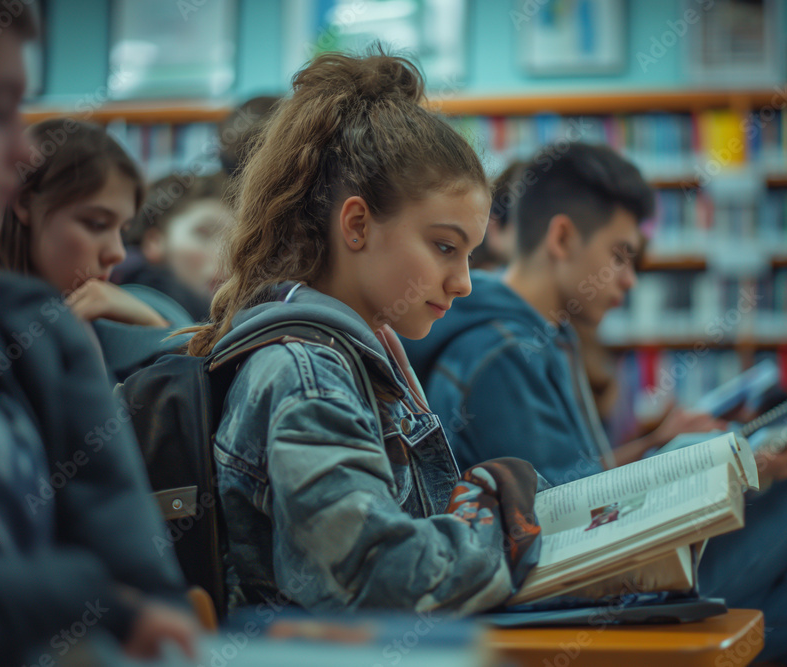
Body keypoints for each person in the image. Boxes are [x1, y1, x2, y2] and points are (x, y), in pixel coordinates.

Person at [402, 142, 787, 666]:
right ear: (563, 238)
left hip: (587, 583)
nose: (627, 280)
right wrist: (702, 467)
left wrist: (664, 450)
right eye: (620, 256)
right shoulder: (503, 353)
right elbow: (562, 527)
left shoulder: (542, 338)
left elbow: (563, 481)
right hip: (572, 604)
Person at [181, 51, 542, 615]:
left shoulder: (356, 350)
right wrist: (491, 521)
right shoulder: (309, 375)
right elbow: (377, 577)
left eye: (470, 254)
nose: (465, 283)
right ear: (356, 224)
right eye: (445, 247)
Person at [0, 2, 198, 664]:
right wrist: (92, 594)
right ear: (27, 210)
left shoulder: (49, 339)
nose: (20, 149)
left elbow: (138, 561)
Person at [0, 118, 195, 380]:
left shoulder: (117, 316)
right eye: (97, 224)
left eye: (122, 230)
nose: (118, 253)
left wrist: (153, 325)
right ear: (26, 203)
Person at [117, 171, 232, 321]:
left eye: (235, 242)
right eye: (204, 233)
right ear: (155, 241)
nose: (228, 254)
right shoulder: (123, 313)